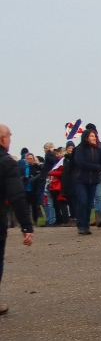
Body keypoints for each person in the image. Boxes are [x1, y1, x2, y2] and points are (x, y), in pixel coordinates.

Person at [0, 125, 32, 316]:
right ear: (3, 139)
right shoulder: (6, 162)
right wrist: (26, 227)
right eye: (10, 136)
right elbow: (17, 196)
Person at [63, 127, 101, 235]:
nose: (94, 138)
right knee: (82, 201)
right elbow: (81, 163)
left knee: (89, 203)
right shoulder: (79, 149)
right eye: (92, 136)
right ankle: (80, 225)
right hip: (80, 179)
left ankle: (86, 226)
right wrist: (97, 167)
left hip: (93, 180)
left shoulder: (98, 150)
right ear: (86, 138)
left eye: (95, 136)